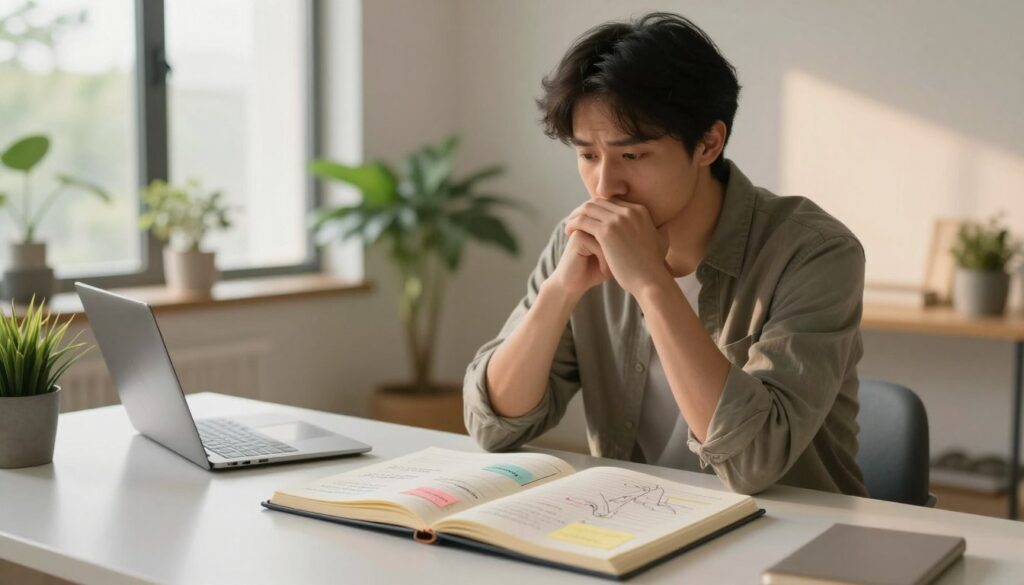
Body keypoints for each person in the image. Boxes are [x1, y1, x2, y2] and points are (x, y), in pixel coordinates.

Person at [462, 12, 867, 496]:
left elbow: (754, 460)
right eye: (588, 155)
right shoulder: (580, 240)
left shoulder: (814, 253)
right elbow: (494, 424)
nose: (605, 186)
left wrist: (652, 284)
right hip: (633, 528)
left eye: (632, 156)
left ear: (708, 143)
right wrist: (559, 291)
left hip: (790, 540)